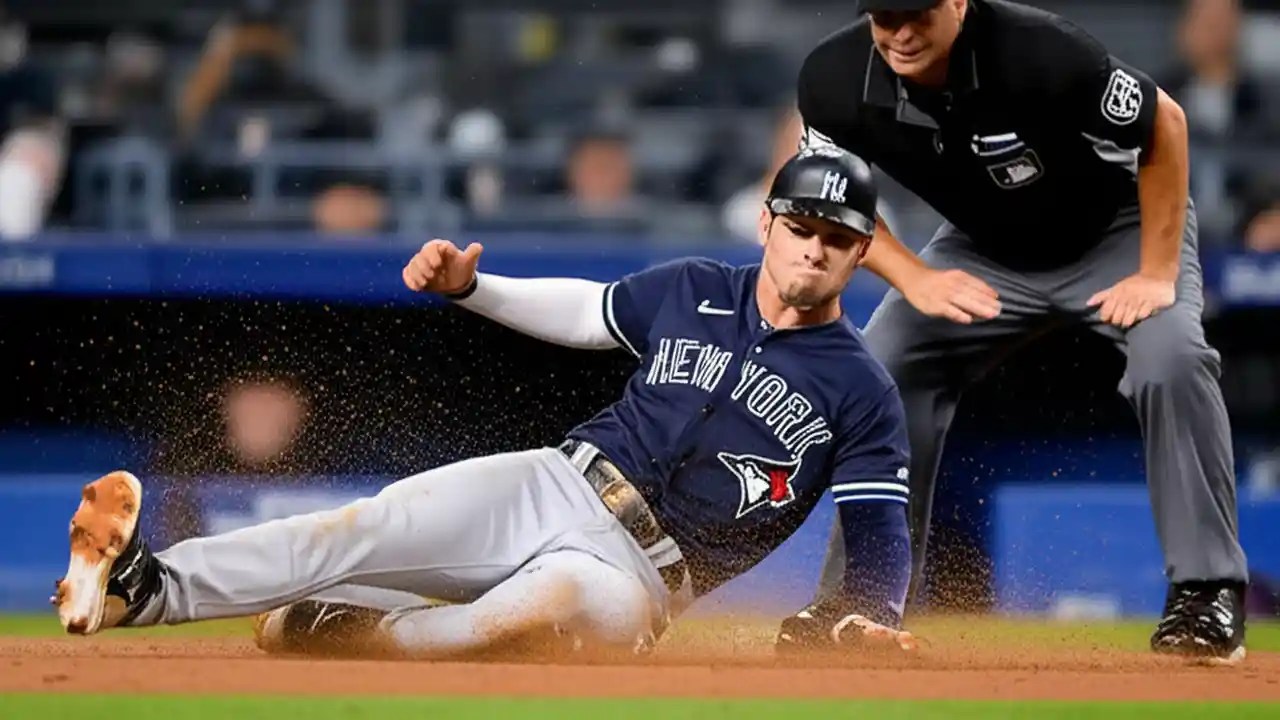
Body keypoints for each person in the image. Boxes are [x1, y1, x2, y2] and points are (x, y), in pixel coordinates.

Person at [55, 147, 919, 659]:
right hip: (559, 481)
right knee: (365, 526)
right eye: (800, 229)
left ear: (861, 255)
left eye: (838, 240)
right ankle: (148, 586)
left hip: (644, 577)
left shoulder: (861, 388)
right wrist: (474, 288)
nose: (813, 251)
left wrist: (872, 615)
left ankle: (363, 635)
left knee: (516, 620)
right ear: (768, 225)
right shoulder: (693, 287)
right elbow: (585, 312)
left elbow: (881, 530)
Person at [781, 0, 1248, 665]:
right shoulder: (834, 75)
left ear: (958, 5)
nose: (901, 33)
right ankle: (861, 598)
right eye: (886, 16)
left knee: (1170, 359)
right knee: (881, 361)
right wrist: (914, 278)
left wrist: (1157, 271)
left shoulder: (1042, 50)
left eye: (917, 13)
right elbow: (833, 199)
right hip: (983, 247)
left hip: (1116, 233)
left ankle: (1207, 592)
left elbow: (1164, 123)